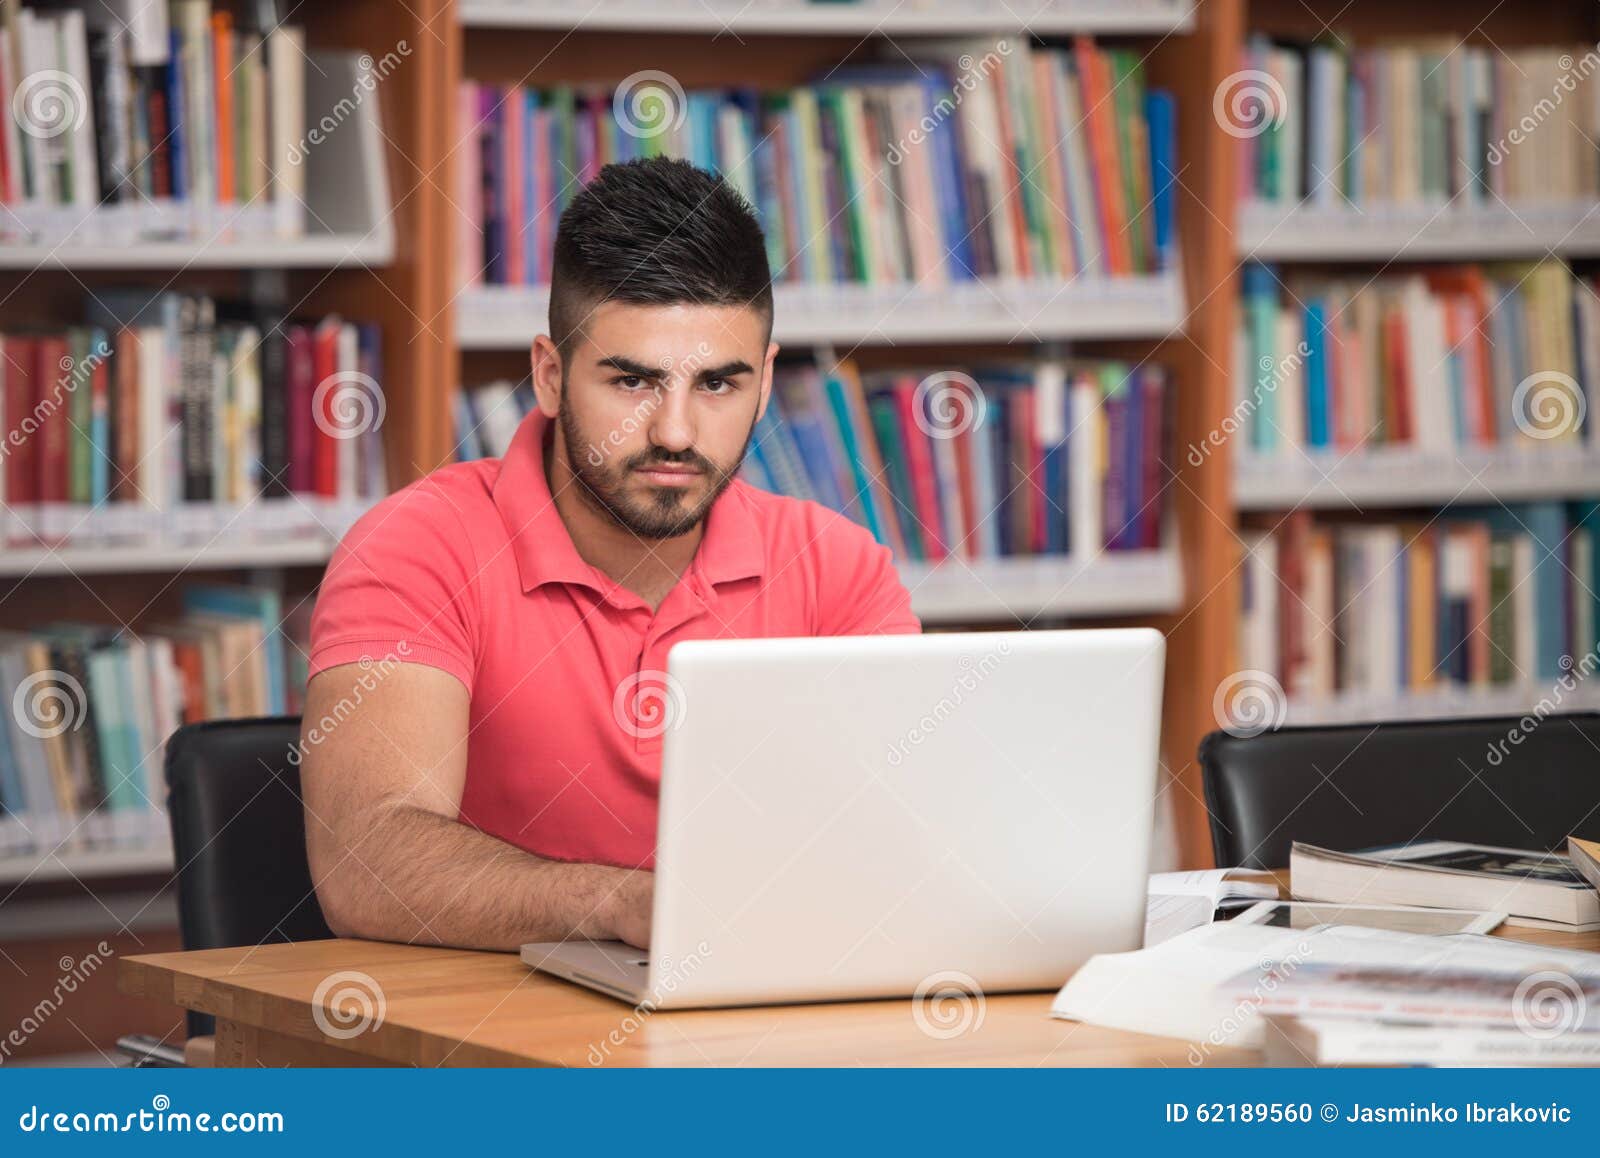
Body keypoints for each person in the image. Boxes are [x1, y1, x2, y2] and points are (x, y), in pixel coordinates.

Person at [300, 157, 920, 952]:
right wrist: (622, 906)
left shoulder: (838, 568)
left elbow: (903, 838)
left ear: (766, 383)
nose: (674, 431)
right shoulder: (418, 546)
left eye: (719, 386)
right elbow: (364, 863)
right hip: (491, 1050)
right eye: (633, 382)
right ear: (550, 376)